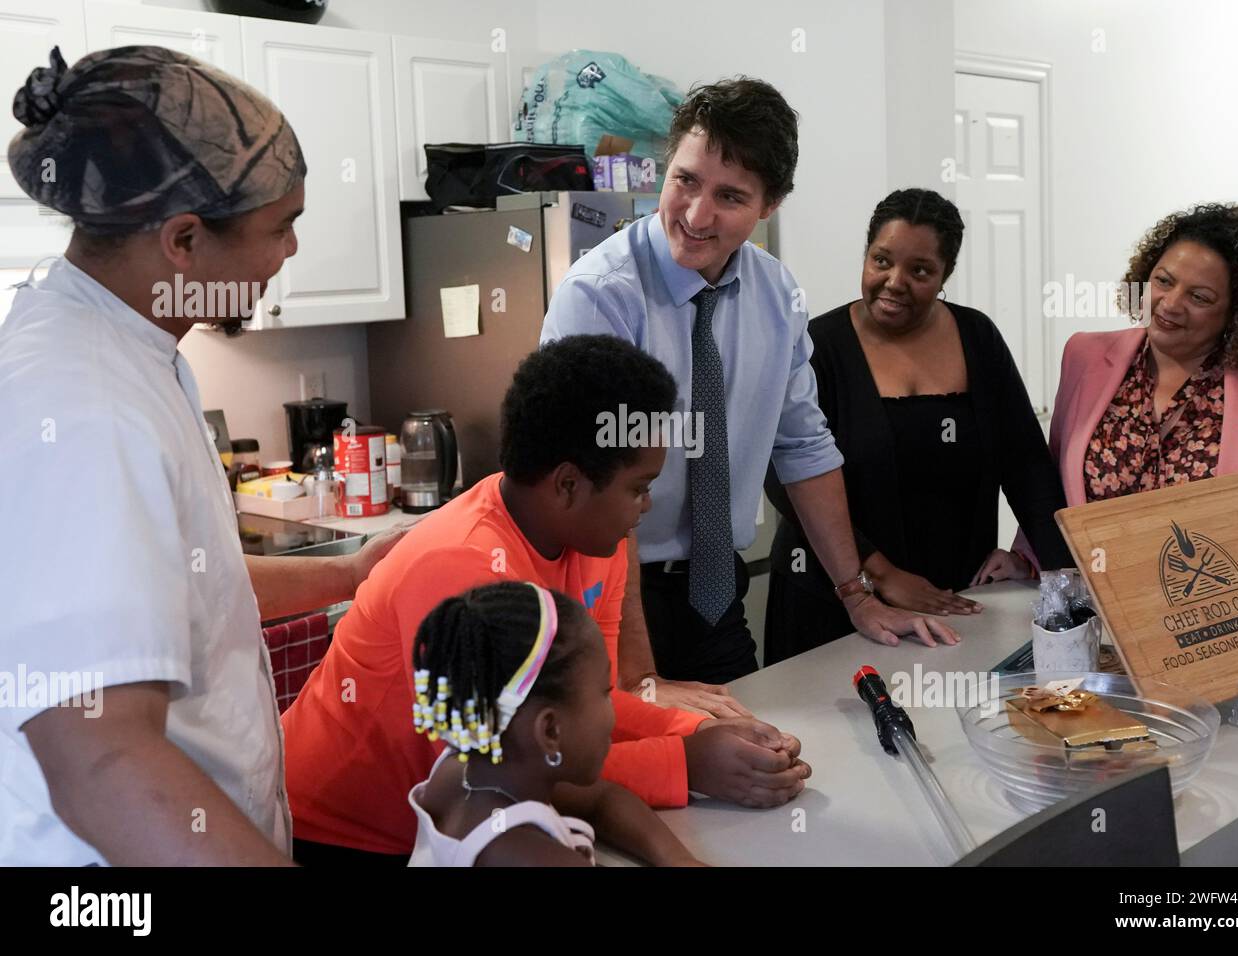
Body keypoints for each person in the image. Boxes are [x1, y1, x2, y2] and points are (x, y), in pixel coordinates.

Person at [0, 46, 402, 865]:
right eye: (279, 226)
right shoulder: (87, 411)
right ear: (184, 240)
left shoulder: (130, 346)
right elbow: (100, 759)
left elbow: (177, 579)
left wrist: (351, 573)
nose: (289, 251)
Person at [282, 335, 810, 863]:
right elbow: (506, 762)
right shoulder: (464, 568)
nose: (646, 506)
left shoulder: (596, 540)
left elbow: (585, 700)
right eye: (638, 487)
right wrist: (685, 763)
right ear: (567, 486)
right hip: (337, 833)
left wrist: (701, 730)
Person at [542, 78, 959, 685]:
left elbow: (804, 449)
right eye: (685, 179)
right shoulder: (601, 297)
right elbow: (594, 490)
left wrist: (857, 595)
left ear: (771, 205)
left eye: (730, 196)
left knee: (764, 762)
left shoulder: (776, 293)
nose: (695, 214)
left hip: (715, 597)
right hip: (606, 599)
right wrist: (640, 681)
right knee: (643, 773)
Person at [764, 189, 1073, 664]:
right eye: (881, 260)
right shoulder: (817, 346)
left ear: (945, 275)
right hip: (832, 595)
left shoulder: (977, 337)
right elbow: (785, 478)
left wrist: (1064, 579)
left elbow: (1026, 465)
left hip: (952, 596)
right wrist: (881, 574)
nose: (894, 282)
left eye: (920, 271)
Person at [1002, 203, 1238, 574]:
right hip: (1101, 599)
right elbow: (1054, 479)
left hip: (1223, 605)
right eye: (1163, 281)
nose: (1170, 304)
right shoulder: (1085, 356)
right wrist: (1027, 558)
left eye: (1200, 297)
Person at [408, 581, 705, 866]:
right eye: (605, 692)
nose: (613, 708)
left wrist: (679, 860)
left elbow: (601, 799)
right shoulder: (529, 855)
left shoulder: (466, 772)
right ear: (550, 730)